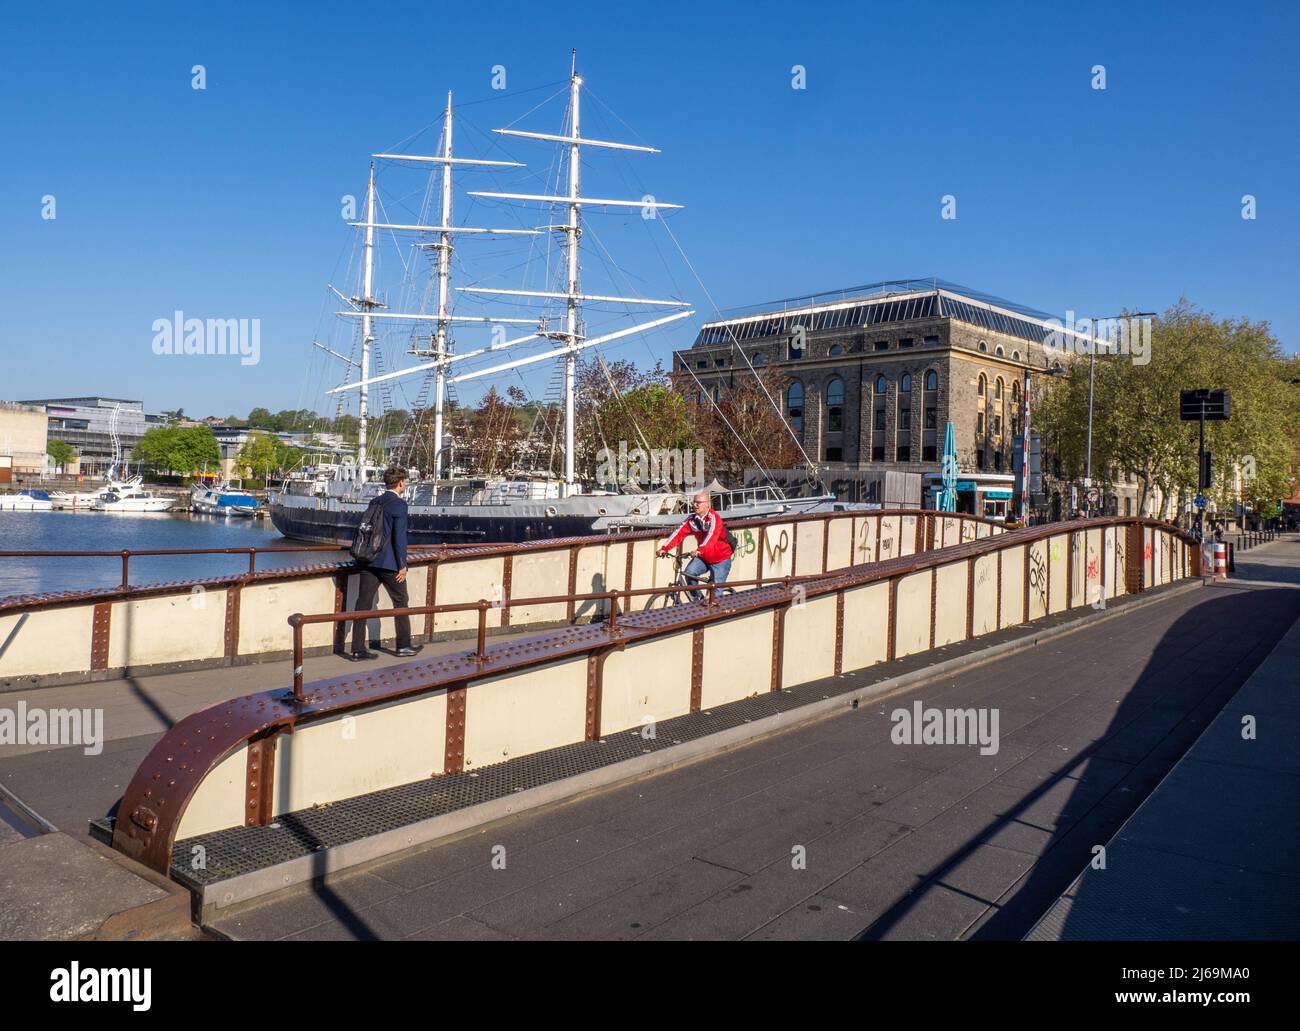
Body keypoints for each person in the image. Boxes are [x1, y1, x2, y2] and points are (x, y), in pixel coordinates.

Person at [348, 466, 421, 661]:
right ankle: (403, 646)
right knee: (400, 601)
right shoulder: (399, 505)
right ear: (400, 483)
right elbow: (399, 539)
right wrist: (402, 565)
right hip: (389, 563)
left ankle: (357, 649)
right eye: (404, 481)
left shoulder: (375, 501)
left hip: (368, 560)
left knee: (362, 604)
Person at [657, 491, 733, 602]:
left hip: (720, 559)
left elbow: (711, 536)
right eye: (694, 502)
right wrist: (664, 549)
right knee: (689, 573)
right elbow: (678, 533)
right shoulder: (692, 520)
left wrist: (699, 550)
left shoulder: (714, 518)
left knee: (715, 595)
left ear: (707, 504)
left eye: (699, 502)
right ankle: (698, 599)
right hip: (704, 557)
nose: (695, 505)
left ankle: (714, 614)